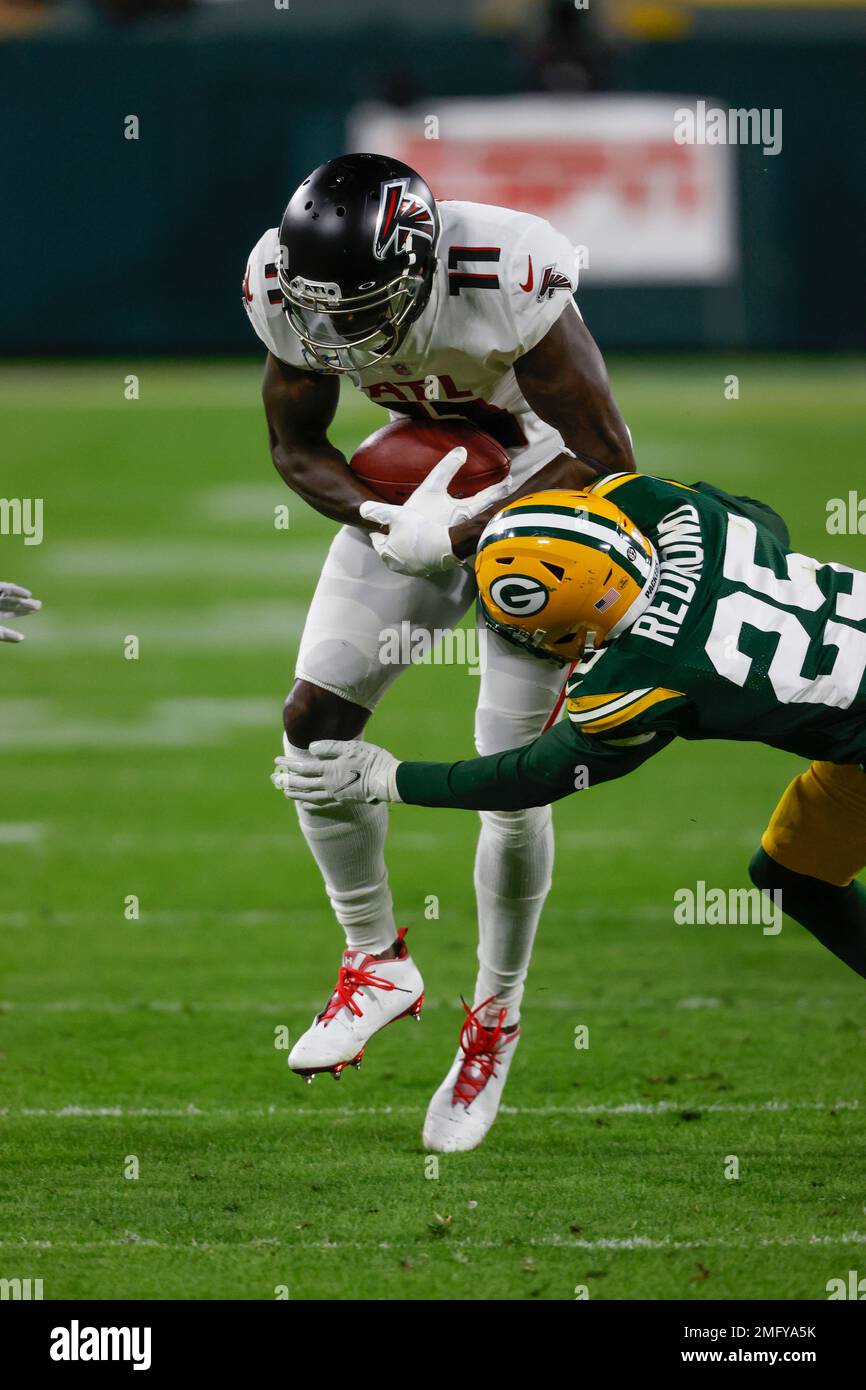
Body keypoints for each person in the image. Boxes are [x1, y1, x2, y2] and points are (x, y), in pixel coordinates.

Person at [274, 472, 866, 1145]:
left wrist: (391, 777)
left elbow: (535, 775)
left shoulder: (648, 673)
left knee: (798, 877)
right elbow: (762, 516)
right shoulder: (669, 512)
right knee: (793, 875)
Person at [243, 151, 634, 1149]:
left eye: (365, 305)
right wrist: (386, 516)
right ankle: (377, 960)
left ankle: (493, 1017)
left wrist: (459, 533)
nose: (340, 333)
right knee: (309, 730)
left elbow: (608, 458)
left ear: (421, 263)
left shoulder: (505, 269)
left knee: (513, 783)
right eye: (326, 310)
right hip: (417, 497)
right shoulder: (288, 290)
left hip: (546, 506)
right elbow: (298, 448)